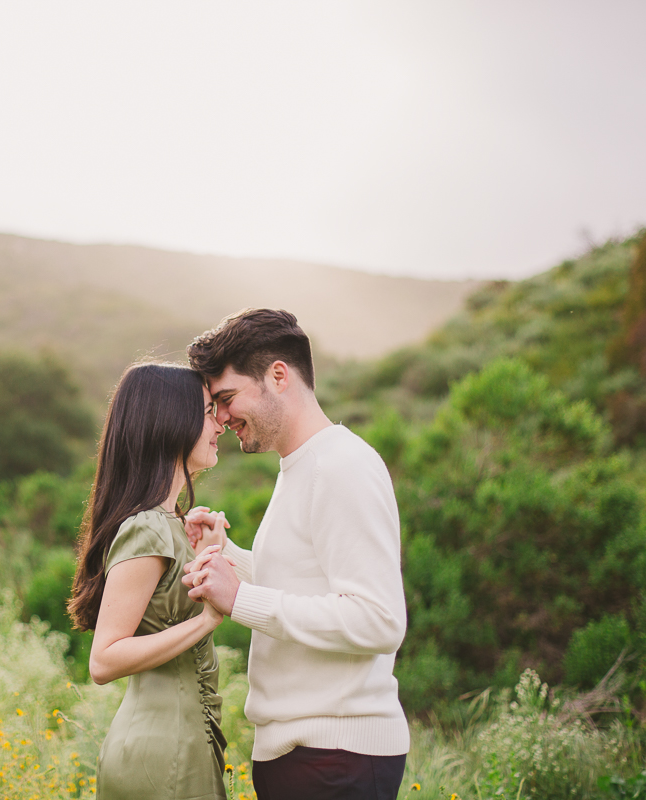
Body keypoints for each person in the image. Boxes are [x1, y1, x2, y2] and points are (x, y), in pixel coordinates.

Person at [181, 308, 410, 800]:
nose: (220, 418)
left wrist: (238, 598)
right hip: (308, 756)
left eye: (227, 398)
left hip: (337, 757)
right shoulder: (302, 467)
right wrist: (226, 556)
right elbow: (306, 583)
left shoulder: (341, 465)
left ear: (278, 376)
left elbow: (378, 619)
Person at [67, 361, 232, 800]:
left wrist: (209, 553)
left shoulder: (169, 524)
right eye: (208, 411)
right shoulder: (148, 527)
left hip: (179, 744)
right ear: (171, 423)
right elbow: (104, 660)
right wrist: (207, 620)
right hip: (163, 757)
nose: (222, 423)